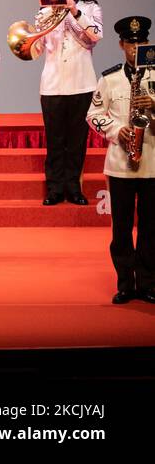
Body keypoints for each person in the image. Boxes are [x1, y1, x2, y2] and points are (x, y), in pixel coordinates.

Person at [86, 16, 155, 304]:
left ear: (147, 43)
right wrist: (117, 130)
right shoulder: (109, 78)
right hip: (120, 164)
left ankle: (149, 283)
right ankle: (126, 283)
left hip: (152, 163)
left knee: (152, 227)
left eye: (140, 42)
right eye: (130, 43)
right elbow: (93, 115)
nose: (135, 47)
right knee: (122, 228)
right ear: (121, 44)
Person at [39, 0, 103, 206]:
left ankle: (74, 187)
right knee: (54, 139)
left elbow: (94, 37)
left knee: (77, 140)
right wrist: (27, 43)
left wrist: (73, 12)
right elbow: (37, 49)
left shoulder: (90, 8)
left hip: (82, 82)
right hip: (52, 84)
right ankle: (54, 188)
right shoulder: (44, 10)